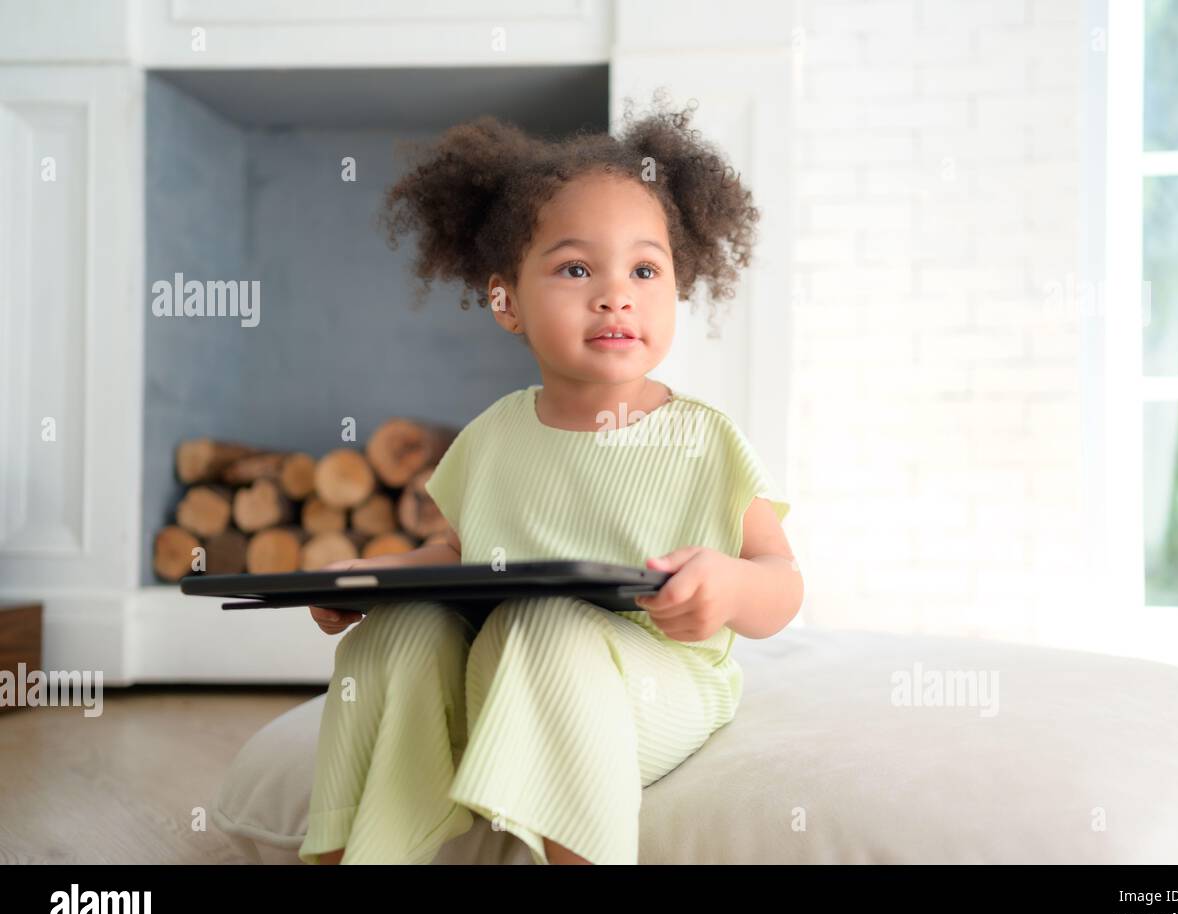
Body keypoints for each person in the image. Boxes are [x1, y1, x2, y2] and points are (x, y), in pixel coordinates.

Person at [299, 94, 802, 866]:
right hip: (501, 675)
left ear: (678, 287)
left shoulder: (704, 439)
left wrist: (729, 587)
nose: (615, 294)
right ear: (507, 301)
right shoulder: (494, 435)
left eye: (644, 268)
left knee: (544, 626)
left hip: (651, 686)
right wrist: (369, 578)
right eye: (575, 268)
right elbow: (461, 559)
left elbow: (783, 581)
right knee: (395, 637)